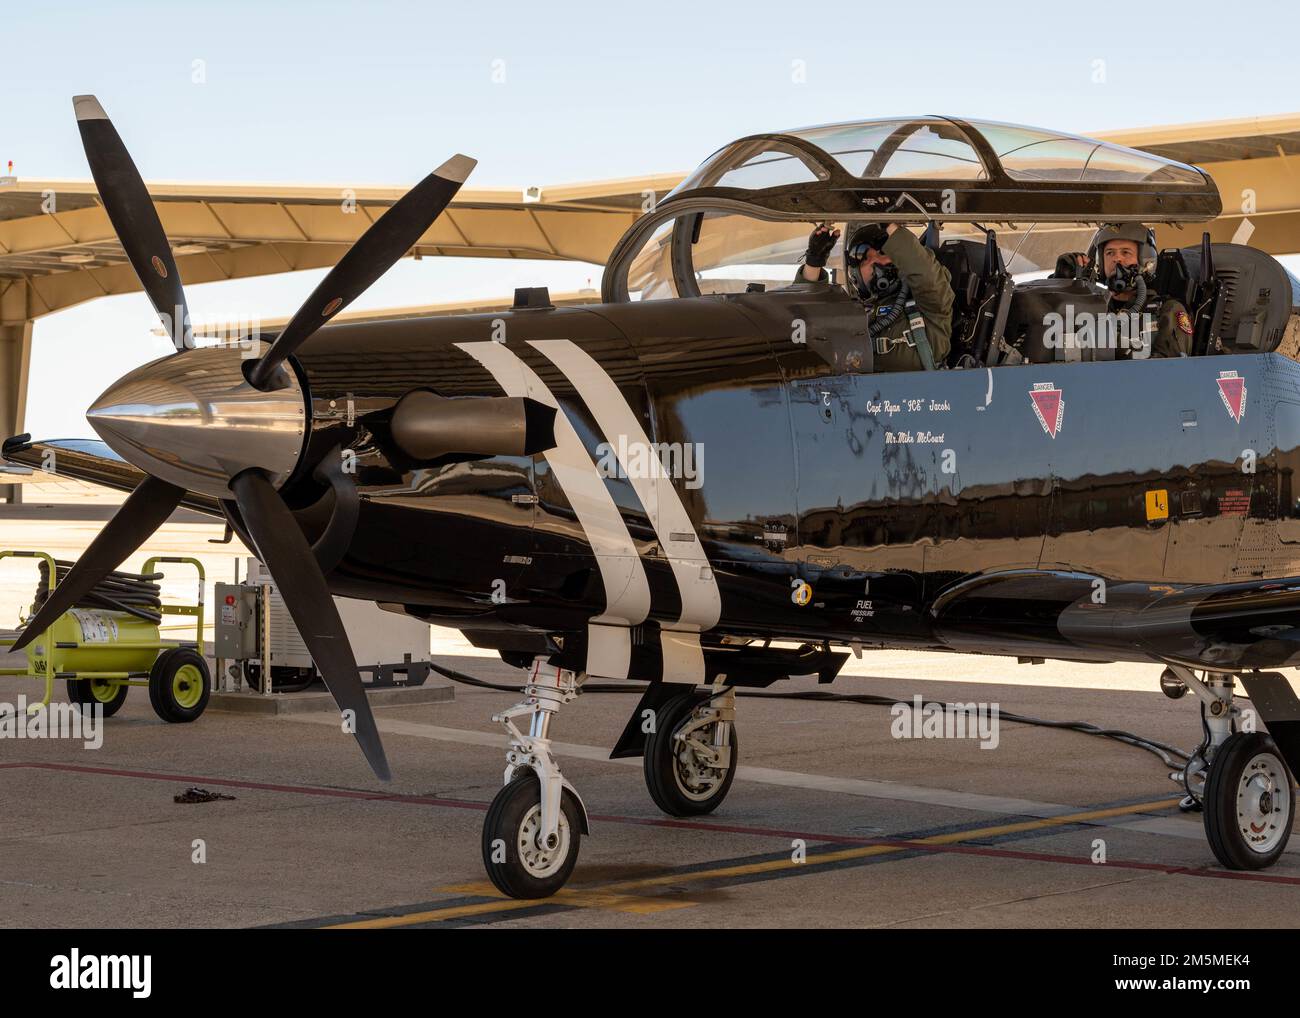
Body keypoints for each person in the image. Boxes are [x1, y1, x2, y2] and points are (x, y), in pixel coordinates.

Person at [800, 222, 953, 371]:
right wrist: (814, 262)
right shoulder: (850, 312)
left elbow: (926, 276)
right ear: (856, 274)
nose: (875, 262)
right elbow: (804, 322)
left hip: (922, 394)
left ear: (900, 257)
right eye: (865, 258)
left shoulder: (930, 305)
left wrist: (889, 224)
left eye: (883, 253)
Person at [1057, 224, 1194, 358]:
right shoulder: (1090, 309)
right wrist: (1060, 283)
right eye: (1110, 253)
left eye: (1125, 252)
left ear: (1146, 261)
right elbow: (1055, 345)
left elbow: (1173, 371)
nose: (1117, 259)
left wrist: (1122, 349)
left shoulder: (1167, 310)